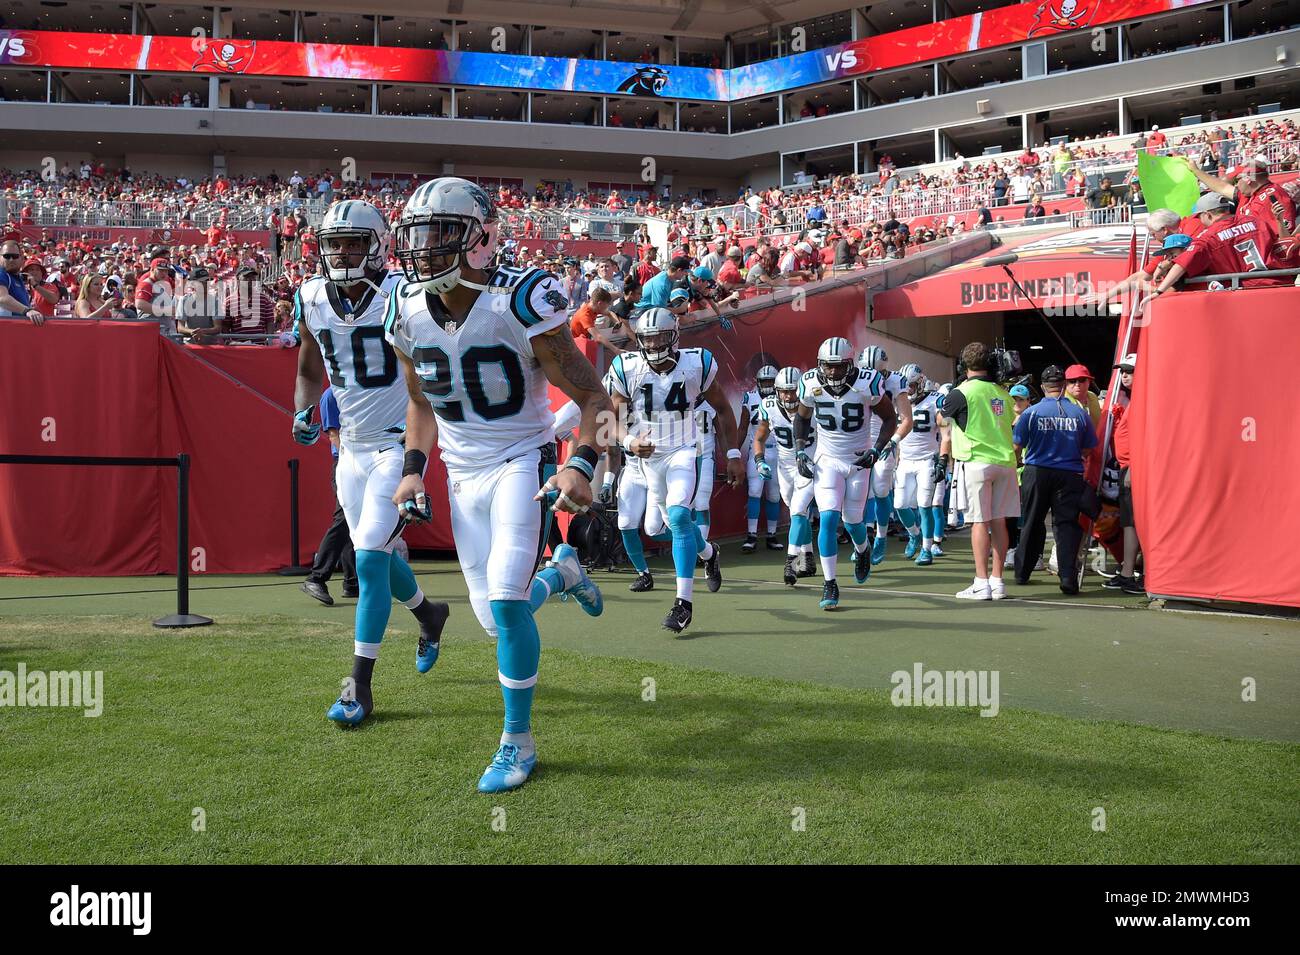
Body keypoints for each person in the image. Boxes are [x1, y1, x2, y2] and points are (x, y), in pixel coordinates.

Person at [386, 177, 610, 793]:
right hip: (461, 473)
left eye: (440, 236)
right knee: (493, 619)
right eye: (418, 237)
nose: (425, 251)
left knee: (508, 605)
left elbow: (594, 396)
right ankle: (563, 574)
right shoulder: (403, 308)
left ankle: (518, 741)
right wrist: (412, 471)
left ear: (481, 240)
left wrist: (580, 463)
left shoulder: (523, 299)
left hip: (521, 459)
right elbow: (420, 405)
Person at [291, 197, 451, 728]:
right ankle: (429, 613)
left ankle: (359, 685)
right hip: (350, 450)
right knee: (371, 552)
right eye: (332, 243)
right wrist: (304, 409)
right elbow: (310, 368)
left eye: (353, 242)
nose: (340, 252)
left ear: (378, 245)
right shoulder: (311, 296)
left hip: (395, 444)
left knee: (369, 561)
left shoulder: (402, 294)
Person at [605, 307, 743, 633]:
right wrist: (628, 442)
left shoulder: (697, 363)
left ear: (675, 335)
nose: (653, 346)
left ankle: (683, 604)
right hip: (649, 460)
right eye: (646, 339)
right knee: (668, 522)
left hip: (683, 451)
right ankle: (709, 553)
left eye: (659, 338)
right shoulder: (628, 367)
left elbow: (723, 409)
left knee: (680, 517)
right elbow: (611, 419)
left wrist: (734, 453)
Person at [793, 337, 899, 610]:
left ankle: (863, 549)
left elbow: (890, 418)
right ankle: (830, 583)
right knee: (827, 519)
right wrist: (800, 450)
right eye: (828, 367)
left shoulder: (867, 383)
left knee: (852, 522)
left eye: (839, 367)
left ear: (851, 365)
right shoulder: (811, 383)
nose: (832, 373)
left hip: (858, 461)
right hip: (827, 460)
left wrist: (876, 449)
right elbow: (802, 417)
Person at [941, 342, 1019, 600]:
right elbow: (1009, 419)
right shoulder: (1003, 393)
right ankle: (997, 582)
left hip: (975, 461)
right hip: (1005, 462)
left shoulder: (961, 392)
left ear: (964, 364)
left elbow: (942, 418)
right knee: (998, 522)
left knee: (979, 521)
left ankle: (981, 582)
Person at [1012, 365, 1098, 594]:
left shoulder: (1031, 413)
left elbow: (1017, 445)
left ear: (1042, 387)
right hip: (1069, 473)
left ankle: (1022, 572)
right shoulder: (1079, 413)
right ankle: (1068, 578)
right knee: (1066, 525)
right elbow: (1089, 447)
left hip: (1037, 471)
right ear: (1063, 386)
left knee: (1031, 521)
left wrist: (1020, 460)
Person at [751, 366, 817, 585]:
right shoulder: (768, 407)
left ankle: (791, 560)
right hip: (785, 465)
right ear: (777, 391)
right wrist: (760, 461)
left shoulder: (813, 405)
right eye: (784, 391)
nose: (789, 396)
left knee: (798, 511)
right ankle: (807, 556)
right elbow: (759, 438)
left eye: (792, 390)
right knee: (797, 511)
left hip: (810, 463)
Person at [301, 386, 360, 605]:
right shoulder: (330, 396)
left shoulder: (360, 391)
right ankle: (317, 577)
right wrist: (351, 460)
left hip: (360, 462)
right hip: (345, 463)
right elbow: (334, 435)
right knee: (344, 518)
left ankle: (352, 582)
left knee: (353, 521)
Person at [892, 365, 946, 566]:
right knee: (899, 505)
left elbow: (946, 410)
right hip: (905, 461)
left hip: (926, 460)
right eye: (906, 386)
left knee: (925, 505)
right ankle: (914, 534)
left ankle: (926, 548)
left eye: (912, 385)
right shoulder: (898, 399)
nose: (909, 390)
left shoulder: (933, 401)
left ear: (921, 383)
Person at [1105, 354, 1146, 595]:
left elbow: (1145, 439)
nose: (1125, 375)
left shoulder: (1142, 400)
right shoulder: (1134, 400)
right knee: (1130, 523)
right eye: (1123, 371)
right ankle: (1128, 572)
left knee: (1136, 524)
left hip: (1133, 469)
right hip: (1127, 469)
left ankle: (1134, 573)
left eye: (1130, 370)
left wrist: (1133, 468)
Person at [738, 365, 782, 553]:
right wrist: (734, 451)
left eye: (771, 382)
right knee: (755, 492)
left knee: (774, 494)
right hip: (758, 450)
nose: (767, 385)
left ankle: (771, 535)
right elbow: (743, 426)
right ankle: (751, 535)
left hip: (779, 451)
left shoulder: (784, 397)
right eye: (764, 382)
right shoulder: (750, 397)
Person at [0, 240, 46, 325]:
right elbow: (2, 298)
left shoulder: (17, 277)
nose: (11, 259)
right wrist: (27, 310)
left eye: (15, 256)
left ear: (21, 258)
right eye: (7, 256)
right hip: (6, 331)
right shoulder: (2, 274)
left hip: (18, 330)